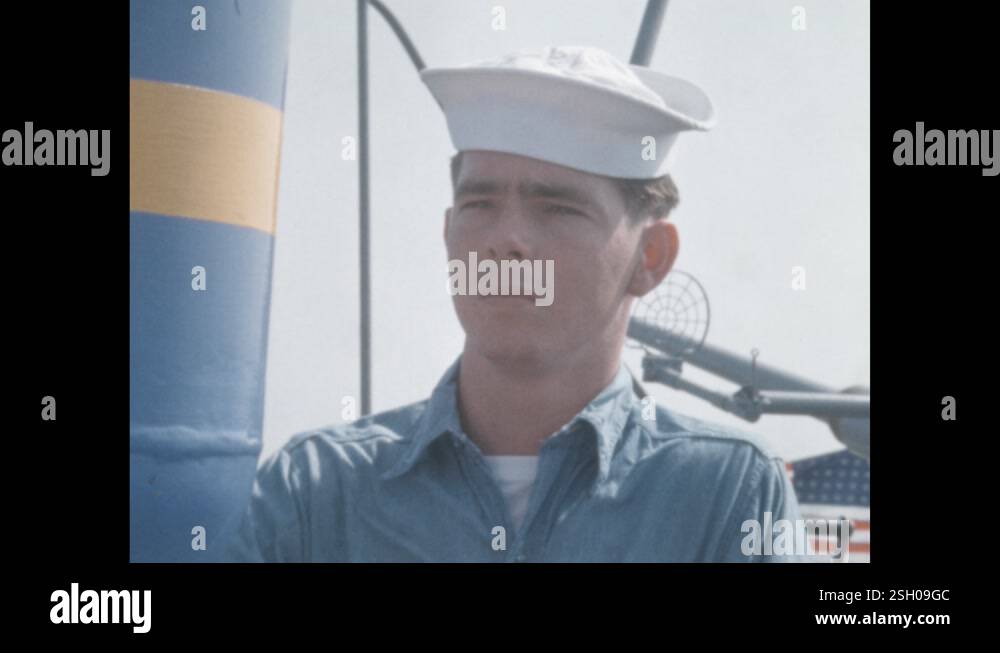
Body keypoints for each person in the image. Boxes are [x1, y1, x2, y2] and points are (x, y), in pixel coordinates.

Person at [221, 45, 812, 562]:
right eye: (479, 204)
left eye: (557, 207)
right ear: (450, 233)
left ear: (650, 257)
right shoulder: (317, 492)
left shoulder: (727, 494)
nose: (507, 240)